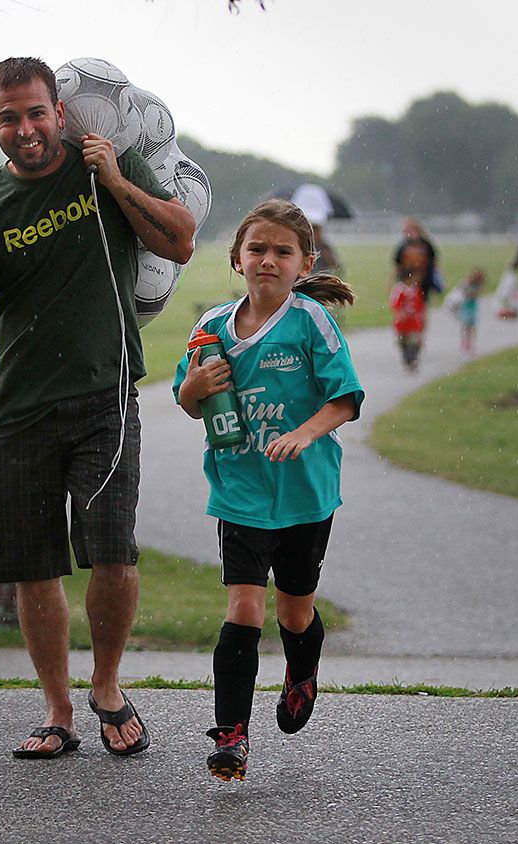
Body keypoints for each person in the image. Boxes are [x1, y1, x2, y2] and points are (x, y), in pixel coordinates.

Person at [0, 57, 195, 759]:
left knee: (111, 551)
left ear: (60, 112)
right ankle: (58, 711)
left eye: (36, 112)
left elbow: (179, 238)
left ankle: (107, 687)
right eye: (9, 117)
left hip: (105, 397)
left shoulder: (108, 161)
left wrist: (113, 178)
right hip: (18, 410)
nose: (25, 127)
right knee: (32, 566)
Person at [173, 199, 364, 782]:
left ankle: (302, 670)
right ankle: (231, 734)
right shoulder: (210, 328)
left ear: (304, 263)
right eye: (257, 249)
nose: (268, 260)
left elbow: (346, 399)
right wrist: (196, 387)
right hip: (241, 490)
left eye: (283, 251)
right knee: (244, 608)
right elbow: (187, 400)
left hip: (305, 492)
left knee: (296, 612)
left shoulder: (311, 321)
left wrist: (304, 434)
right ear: (236, 259)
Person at [388, 241, 428, 371]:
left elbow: (421, 306)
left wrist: (422, 318)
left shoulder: (416, 291)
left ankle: (413, 361)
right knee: (403, 343)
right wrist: (399, 313)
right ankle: (407, 360)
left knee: (414, 342)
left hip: (414, 322)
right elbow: (394, 303)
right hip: (402, 323)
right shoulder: (400, 290)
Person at [393, 218, 442, 301]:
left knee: (421, 300)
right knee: (406, 299)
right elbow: (397, 264)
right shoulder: (403, 245)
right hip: (406, 277)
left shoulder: (425, 245)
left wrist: (438, 275)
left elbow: (434, 260)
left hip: (424, 278)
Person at [450, 268, 486, 354]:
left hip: (472, 308)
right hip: (466, 307)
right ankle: (465, 341)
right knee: (466, 325)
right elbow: (463, 290)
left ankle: (470, 342)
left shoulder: (477, 286)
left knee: (471, 325)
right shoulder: (466, 283)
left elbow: (474, 294)